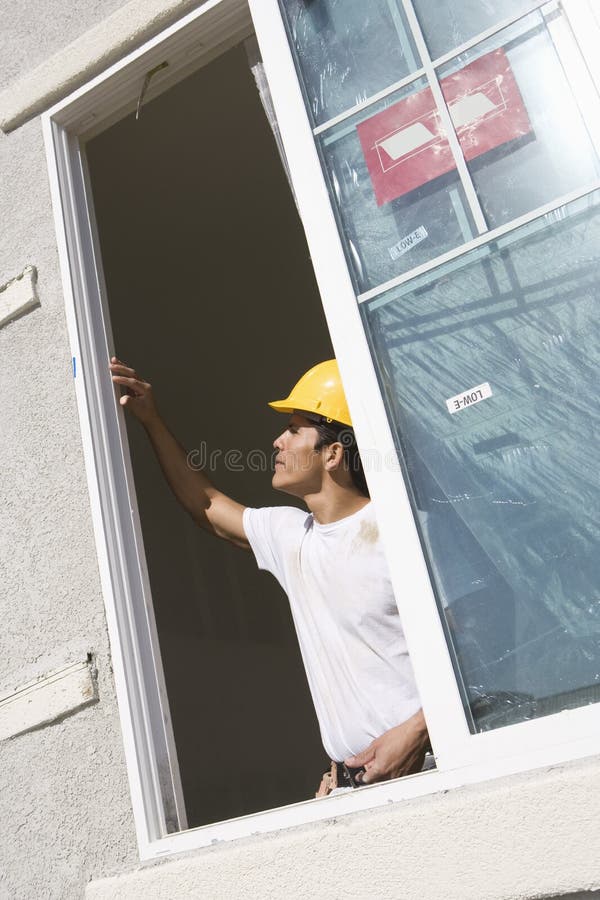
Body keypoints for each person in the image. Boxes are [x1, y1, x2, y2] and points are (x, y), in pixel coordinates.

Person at [109, 356, 431, 793]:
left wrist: (418, 731)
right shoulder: (291, 534)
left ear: (333, 453)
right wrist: (151, 419)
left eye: (294, 430)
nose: (277, 441)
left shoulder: (405, 533)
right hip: (353, 785)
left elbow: (483, 653)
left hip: (427, 769)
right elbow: (206, 505)